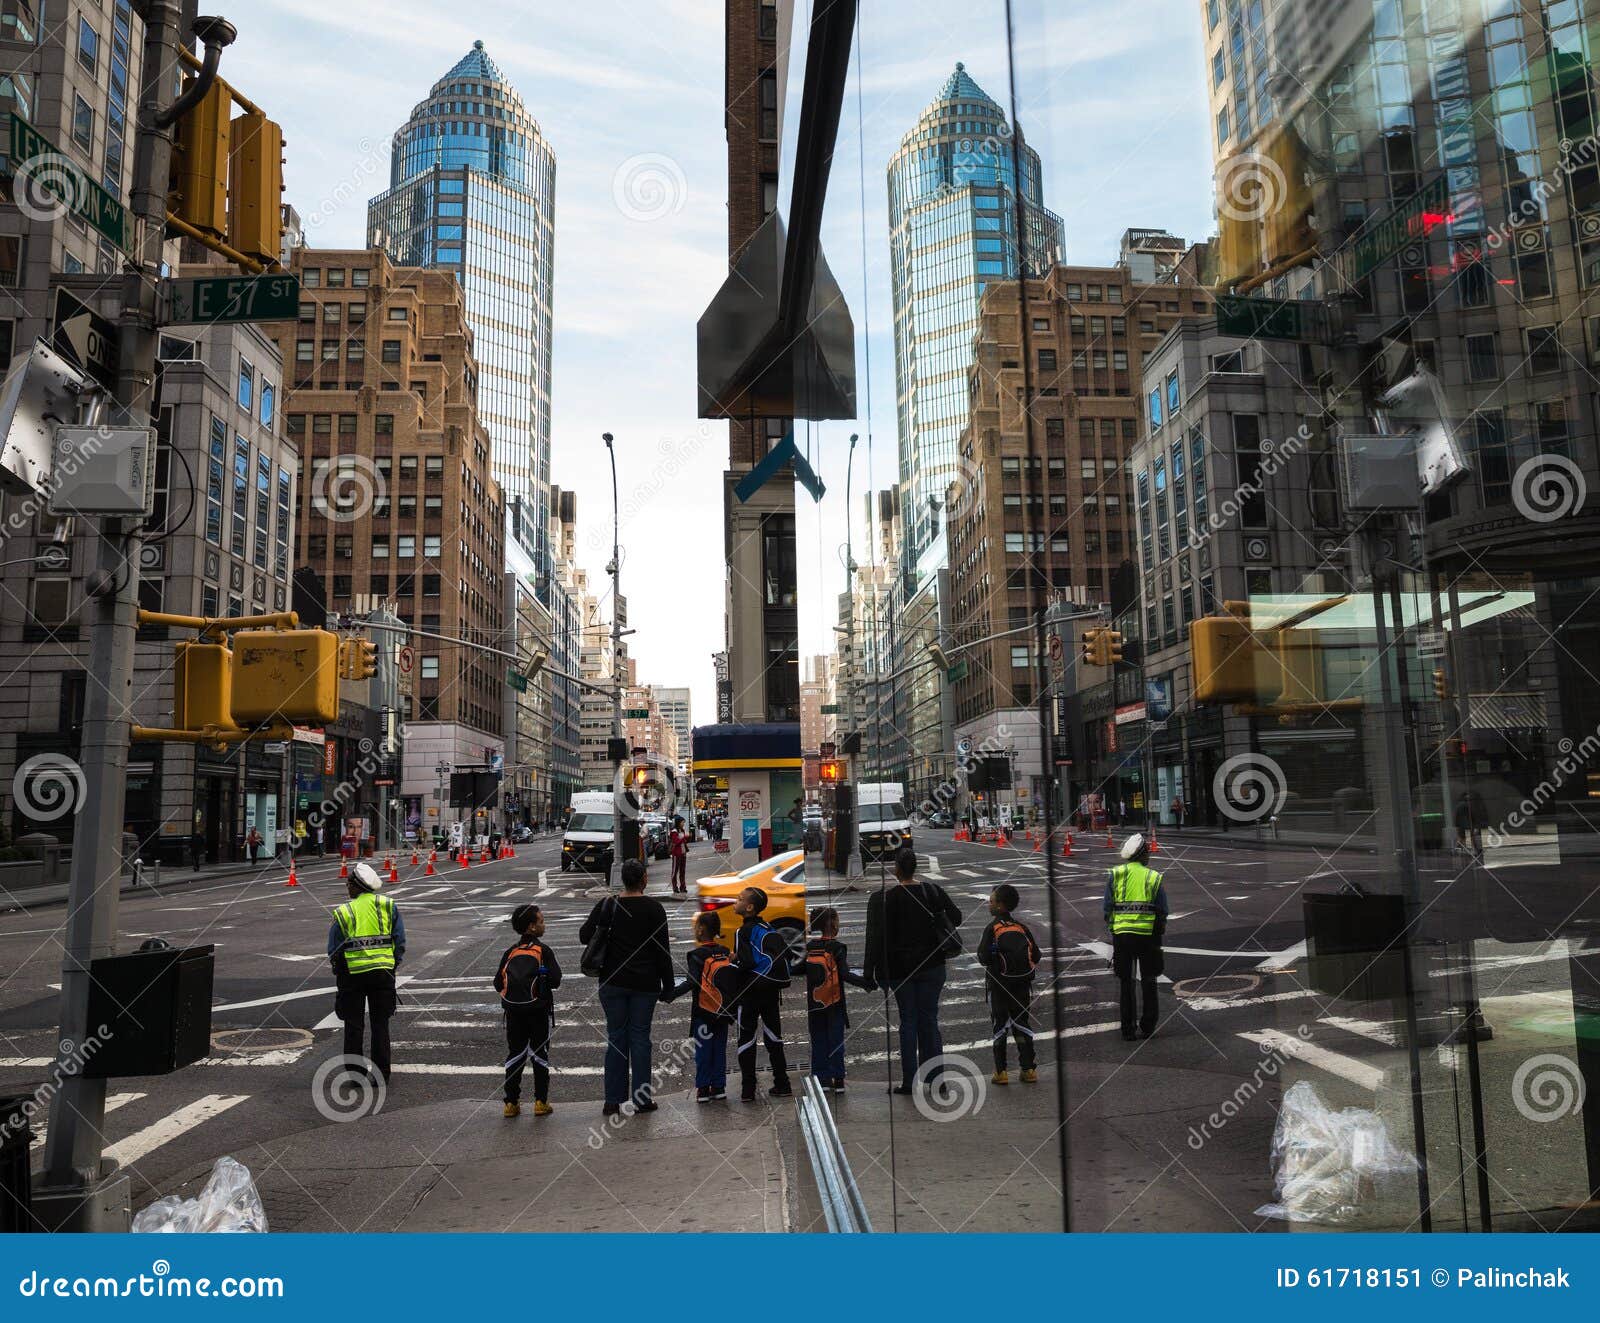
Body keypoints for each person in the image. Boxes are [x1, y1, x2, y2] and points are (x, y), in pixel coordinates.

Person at [864, 846, 962, 1095]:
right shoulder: (932, 891)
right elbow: (956, 917)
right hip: (932, 966)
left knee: (908, 1021)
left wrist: (870, 973)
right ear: (915, 867)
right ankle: (937, 1079)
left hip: (900, 969)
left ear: (896, 869)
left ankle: (909, 1082)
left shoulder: (886, 898)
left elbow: (875, 939)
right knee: (929, 1020)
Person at [579, 858, 673, 1115]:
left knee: (616, 1038)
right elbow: (663, 951)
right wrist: (668, 985)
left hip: (612, 981)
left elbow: (584, 936)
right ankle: (642, 1099)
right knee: (641, 1038)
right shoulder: (654, 909)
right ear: (644, 879)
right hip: (645, 982)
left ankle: (612, 1100)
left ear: (623, 879)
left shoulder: (608, 905)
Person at [327, 861, 405, 1084]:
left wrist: (339, 968)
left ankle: (354, 1075)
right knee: (381, 1024)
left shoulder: (344, 911)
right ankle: (381, 1074)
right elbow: (399, 941)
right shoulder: (389, 905)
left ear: (358, 885)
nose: (347, 887)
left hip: (352, 975)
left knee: (353, 1025)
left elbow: (334, 948)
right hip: (383, 974)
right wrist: (392, 963)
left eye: (348, 883)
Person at [494, 904, 562, 1117]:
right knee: (539, 1053)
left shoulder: (510, 951)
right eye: (541, 921)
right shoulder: (544, 951)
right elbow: (556, 980)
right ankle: (541, 1102)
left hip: (514, 1011)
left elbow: (497, 982)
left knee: (515, 1054)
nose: (544, 924)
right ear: (532, 927)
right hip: (538, 1011)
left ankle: (511, 1103)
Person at [662, 910, 737, 1101]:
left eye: (696, 927)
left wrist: (671, 994)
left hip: (702, 1012)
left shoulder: (696, 955)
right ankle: (719, 1087)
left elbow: (692, 982)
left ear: (702, 930)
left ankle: (703, 1088)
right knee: (719, 1049)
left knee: (703, 1050)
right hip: (722, 1010)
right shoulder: (725, 952)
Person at [731, 887, 793, 1100]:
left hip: (749, 993)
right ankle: (782, 1083)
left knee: (746, 1038)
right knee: (774, 1037)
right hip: (770, 991)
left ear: (749, 908)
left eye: (739, 899)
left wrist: (734, 960)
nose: (735, 901)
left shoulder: (742, 932)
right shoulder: (768, 927)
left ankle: (748, 1090)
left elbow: (746, 963)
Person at [801, 906, 872, 1092]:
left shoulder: (810, 948)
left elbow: (799, 970)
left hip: (814, 1004)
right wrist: (865, 983)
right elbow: (844, 974)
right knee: (836, 1040)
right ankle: (838, 1079)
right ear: (833, 924)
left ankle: (821, 1079)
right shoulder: (837, 947)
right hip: (835, 1002)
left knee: (818, 1041)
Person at [975, 884, 1041, 1084]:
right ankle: (1028, 1069)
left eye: (992, 901)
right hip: (1021, 985)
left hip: (998, 984)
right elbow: (1036, 955)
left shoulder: (992, 928)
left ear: (1001, 906)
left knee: (1000, 1025)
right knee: (1022, 1024)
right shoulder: (1022, 927)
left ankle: (1001, 1072)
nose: (989, 903)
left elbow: (983, 957)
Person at [1105, 833, 1167, 1041]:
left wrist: (1115, 928)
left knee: (1126, 982)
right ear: (1141, 855)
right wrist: (1158, 931)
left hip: (1122, 937)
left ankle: (1127, 1029)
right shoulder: (1153, 877)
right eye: (1147, 851)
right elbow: (1163, 910)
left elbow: (1107, 909)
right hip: (1148, 936)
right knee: (1149, 981)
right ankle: (1148, 1026)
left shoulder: (1116, 874)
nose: (1149, 855)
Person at [668, 815, 690, 896]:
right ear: (678, 823)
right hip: (676, 854)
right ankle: (675, 887)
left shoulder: (682, 830)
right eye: (682, 822)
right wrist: (682, 838)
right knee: (675, 871)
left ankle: (683, 887)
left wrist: (684, 837)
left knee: (682, 871)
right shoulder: (674, 831)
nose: (683, 824)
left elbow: (684, 840)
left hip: (683, 853)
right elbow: (676, 841)